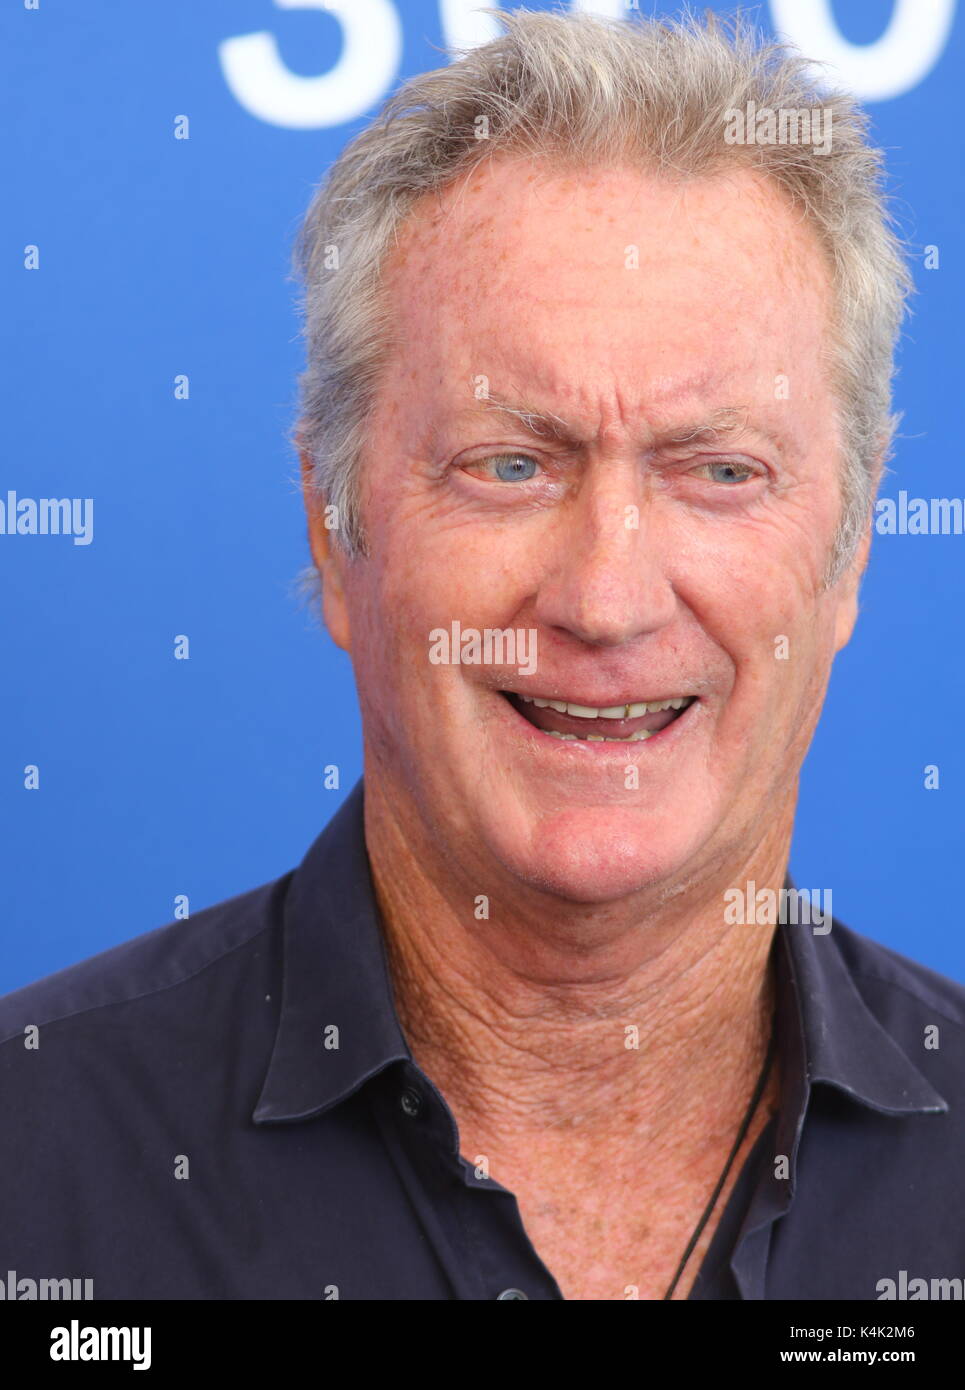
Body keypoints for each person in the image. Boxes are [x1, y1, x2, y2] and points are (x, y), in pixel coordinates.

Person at [2, 8, 963, 1302]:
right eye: (509, 464)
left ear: (845, 553)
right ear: (334, 531)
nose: (605, 598)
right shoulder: (34, 1160)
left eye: (718, 470)